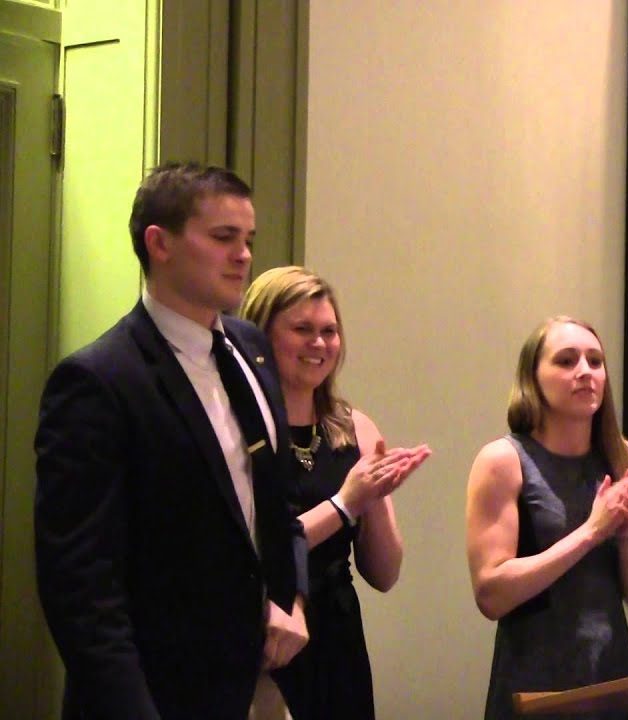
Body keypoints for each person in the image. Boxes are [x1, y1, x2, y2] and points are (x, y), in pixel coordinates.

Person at [34, 162, 308, 718]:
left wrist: (291, 596)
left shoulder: (252, 347)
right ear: (159, 243)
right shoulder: (98, 381)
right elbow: (81, 588)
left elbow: (277, 501)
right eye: (223, 237)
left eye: (249, 239)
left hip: (254, 680)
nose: (245, 256)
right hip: (158, 692)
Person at [240, 266, 430, 719]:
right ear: (261, 336)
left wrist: (375, 496)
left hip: (338, 635)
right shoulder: (242, 429)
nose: (319, 344)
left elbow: (384, 574)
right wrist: (346, 503)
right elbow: (256, 543)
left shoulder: (352, 427)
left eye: (329, 331)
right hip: (266, 631)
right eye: (302, 329)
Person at [466, 316, 628, 720]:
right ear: (533, 379)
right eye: (566, 361)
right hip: (534, 682)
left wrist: (623, 537)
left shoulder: (625, 457)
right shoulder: (504, 461)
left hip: (611, 676)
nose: (585, 372)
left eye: (595, 361)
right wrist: (591, 532)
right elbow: (491, 593)